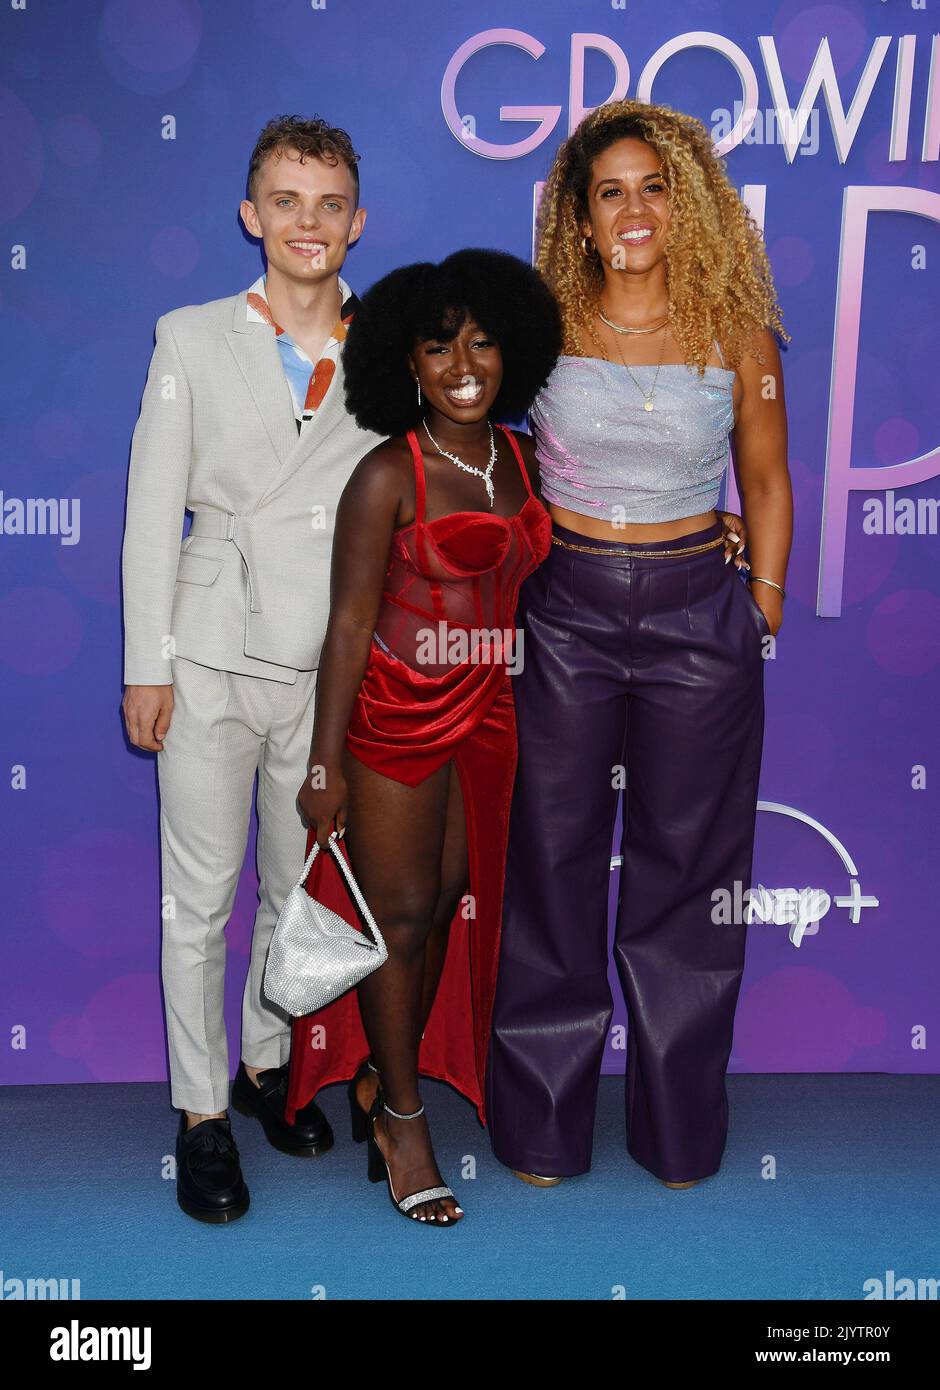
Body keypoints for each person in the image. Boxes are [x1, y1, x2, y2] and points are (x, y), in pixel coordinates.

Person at [485, 99, 793, 1189]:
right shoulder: (538, 329)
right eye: (609, 190)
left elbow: (763, 481)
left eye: (652, 187)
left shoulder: (736, 333)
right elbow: (476, 452)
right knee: (552, 866)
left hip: (696, 613)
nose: (632, 209)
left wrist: (756, 605)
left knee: (688, 878)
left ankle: (678, 1134)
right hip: (563, 608)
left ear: (687, 204)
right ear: (578, 217)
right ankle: (538, 1131)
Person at [121, 115, 383, 1223]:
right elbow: (149, 511)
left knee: (295, 887)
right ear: (250, 215)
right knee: (199, 900)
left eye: (327, 204)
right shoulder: (188, 337)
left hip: (327, 664)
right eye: (285, 200)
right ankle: (199, 1116)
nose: (306, 223)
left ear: (356, 221)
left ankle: (270, 1066)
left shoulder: (391, 348)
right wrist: (149, 663)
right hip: (209, 649)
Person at [286, 250, 561, 1225]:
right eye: (438, 344)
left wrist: (723, 529)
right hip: (394, 717)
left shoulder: (524, 457)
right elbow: (348, 626)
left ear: (512, 351)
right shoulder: (384, 471)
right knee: (396, 920)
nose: (462, 362)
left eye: (483, 340)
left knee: (445, 901)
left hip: (488, 710)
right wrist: (323, 764)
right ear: (405, 358)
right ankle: (402, 1120)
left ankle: (376, 1081)